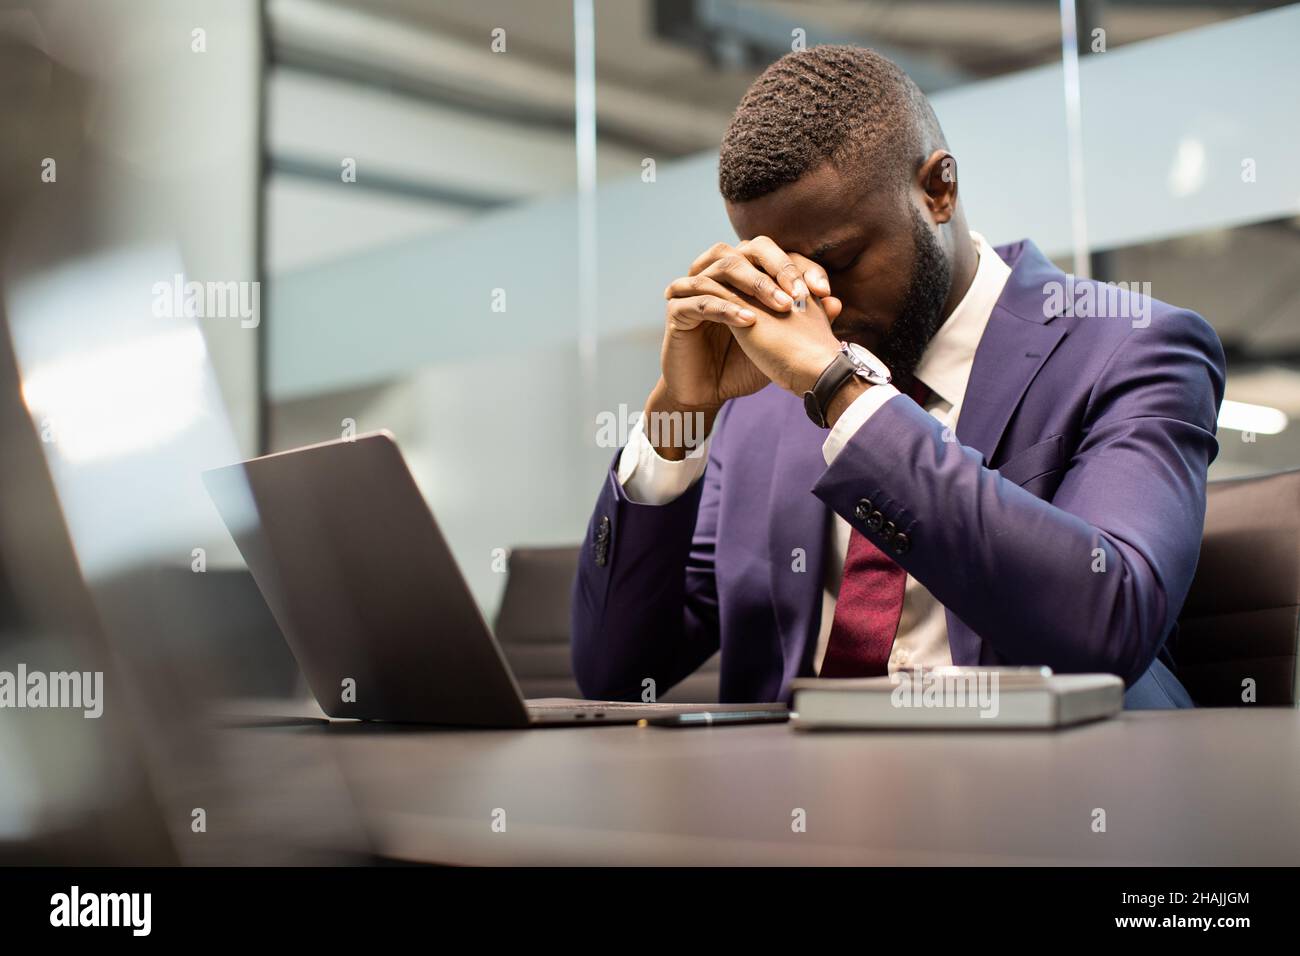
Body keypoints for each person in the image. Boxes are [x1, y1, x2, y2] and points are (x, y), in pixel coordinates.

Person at [571, 45, 1224, 709]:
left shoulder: (1132, 348)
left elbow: (1108, 622)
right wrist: (678, 417)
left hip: (1047, 790)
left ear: (938, 190)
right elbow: (618, 670)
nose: (812, 300)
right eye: (783, 271)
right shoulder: (764, 396)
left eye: (841, 260)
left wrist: (840, 392)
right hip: (788, 796)